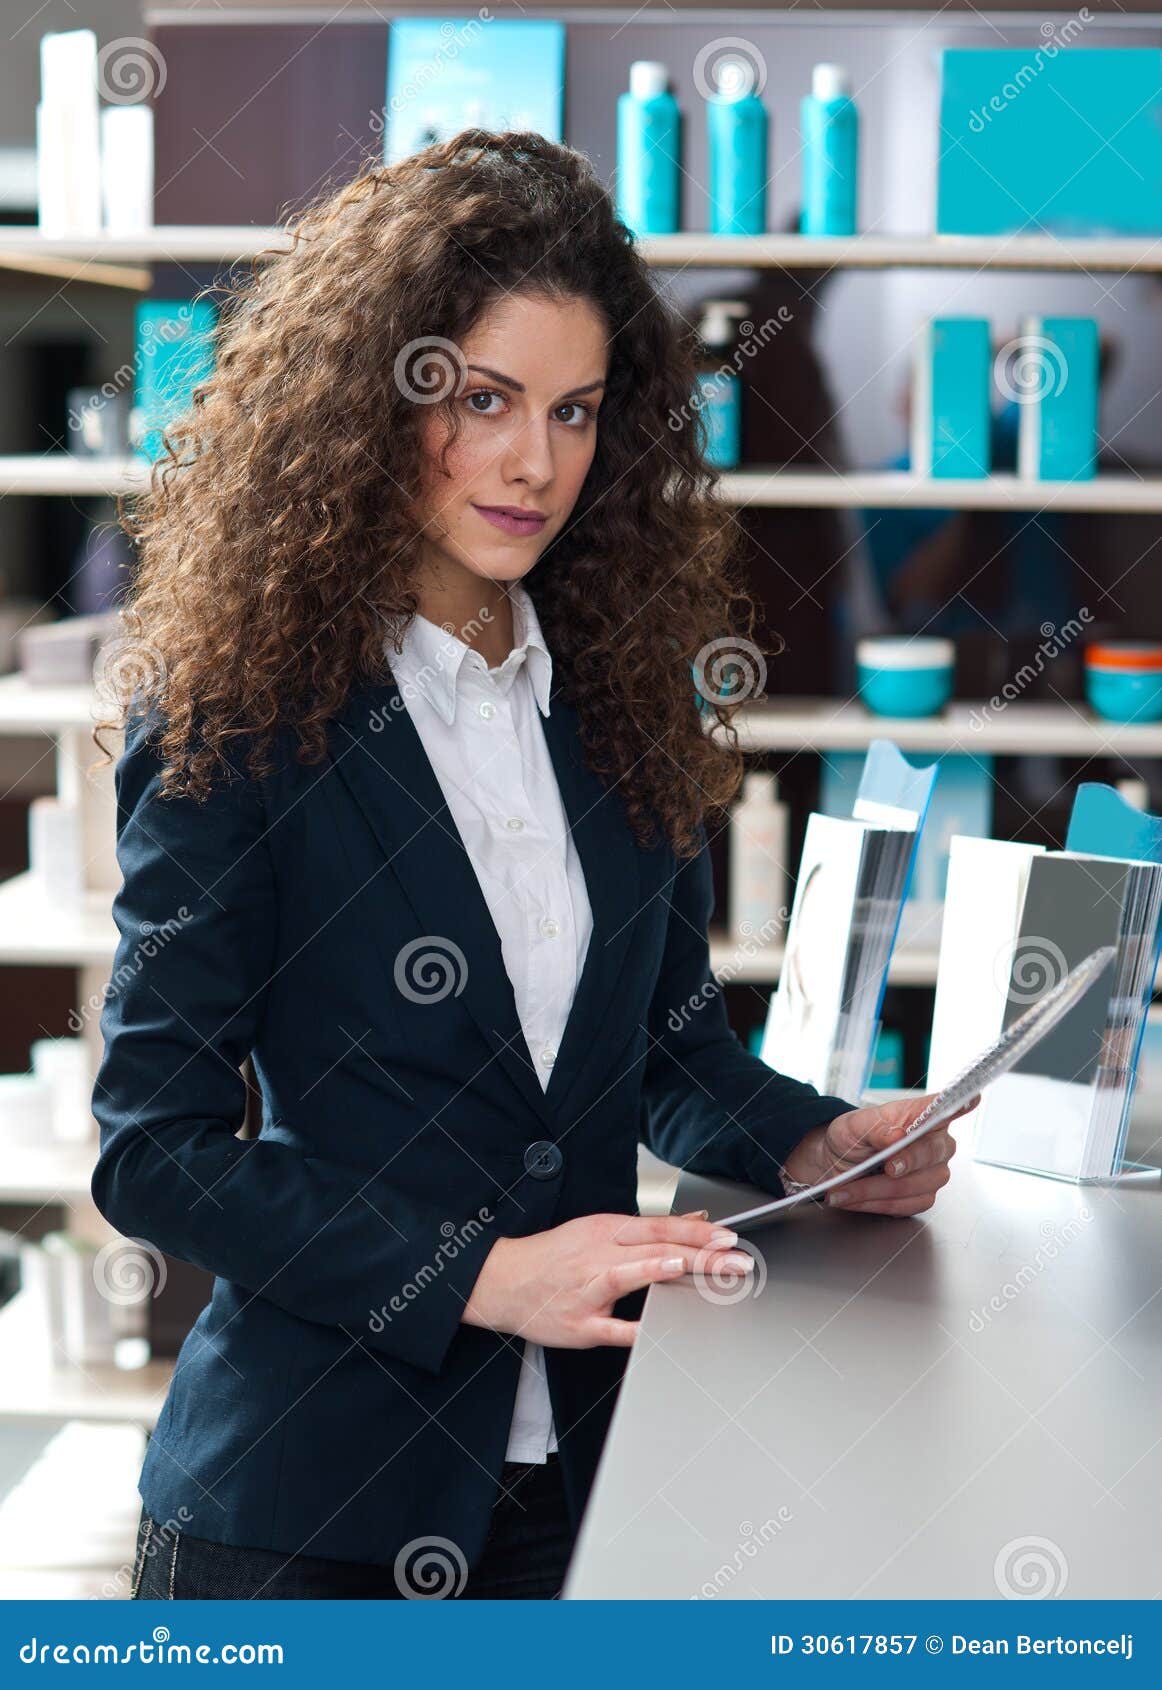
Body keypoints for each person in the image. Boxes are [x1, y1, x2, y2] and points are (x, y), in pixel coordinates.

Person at [91, 130, 957, 1602]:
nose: (532, 462)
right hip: (309, 1513)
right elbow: (153, 1148)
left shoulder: (619, 695)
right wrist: (484, 1277)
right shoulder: (244, 718)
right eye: (480, 400)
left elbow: (670, 1050)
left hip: (593, 1487)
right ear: (376, 400)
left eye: (573, 411)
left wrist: (815, 1145)